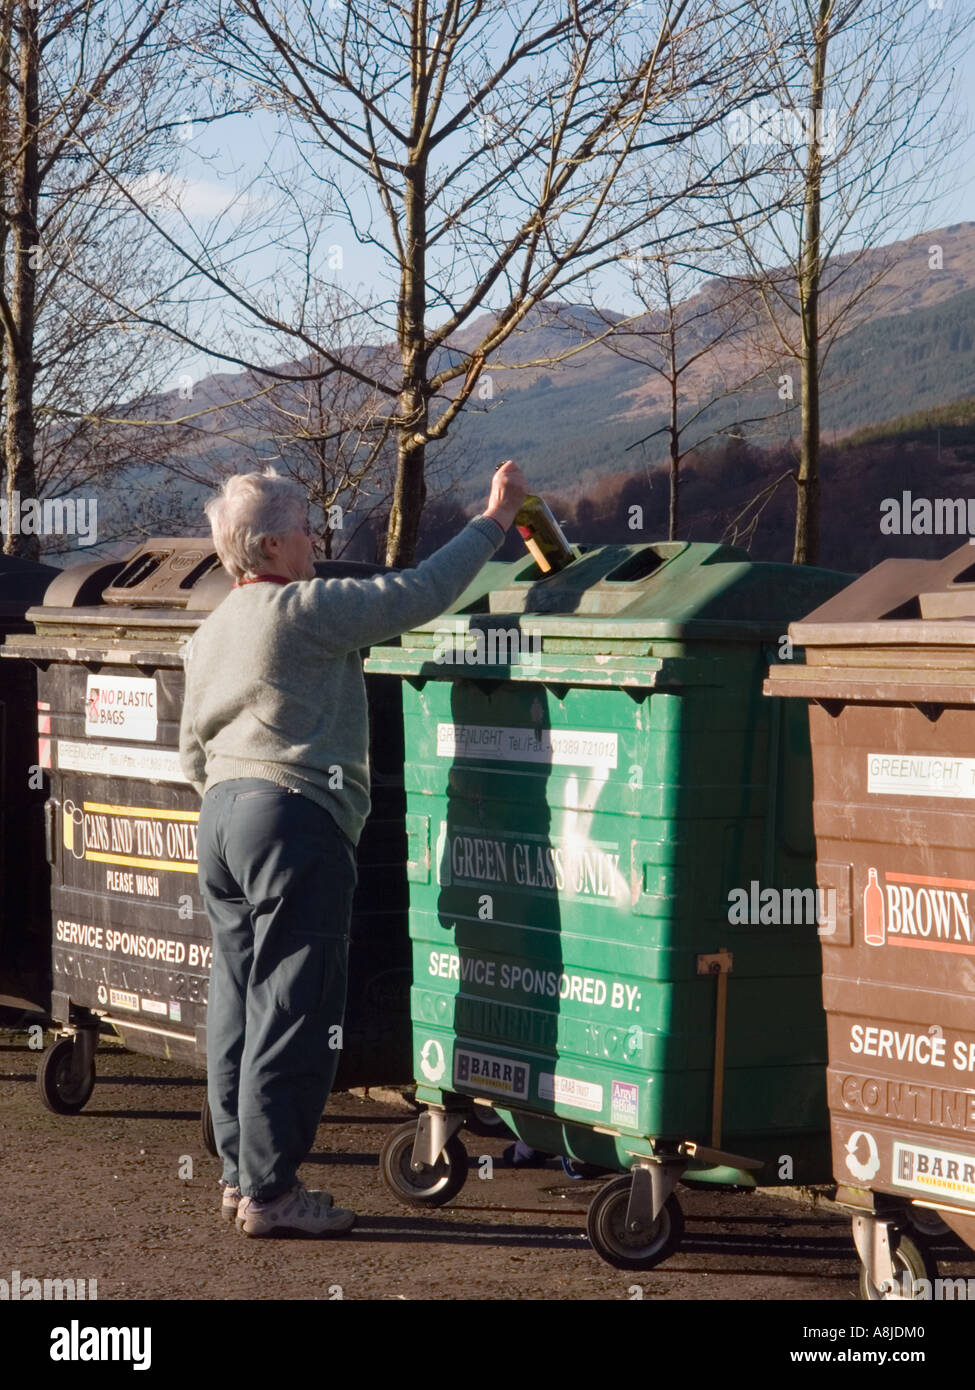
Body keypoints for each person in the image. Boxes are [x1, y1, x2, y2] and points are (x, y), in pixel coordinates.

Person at [179, 460, 528, 1237]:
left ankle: (241, 1178)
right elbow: (421, 593)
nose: (316, 538)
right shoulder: (301, 610)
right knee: (295, 1009)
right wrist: (496, 517)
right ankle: (272, 1195)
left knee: (237, 1003)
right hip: (293, 816)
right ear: (271, 545)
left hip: (223, 820)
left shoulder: (211, 631)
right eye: (305, 526)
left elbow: (191, 756)